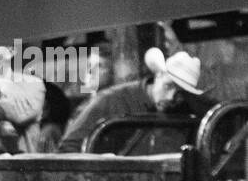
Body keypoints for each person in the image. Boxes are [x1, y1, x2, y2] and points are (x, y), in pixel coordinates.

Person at [57, 49, 209, 154]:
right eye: (168, 86)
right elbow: (68, 147)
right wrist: (98, 165)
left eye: (180, 94)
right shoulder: (112, 100)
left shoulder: (185, 113)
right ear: (158, 76)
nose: (171, 97)